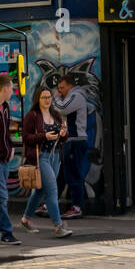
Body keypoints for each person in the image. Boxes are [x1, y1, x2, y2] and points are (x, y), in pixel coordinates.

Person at [19, 87, 73, 238]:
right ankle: (58, 226)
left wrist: (63, 134)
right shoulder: (32, 116)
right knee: (52, 190)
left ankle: (25, 219)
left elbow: (62, 138)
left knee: (41, 190)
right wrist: (44, 137)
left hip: (55, 157)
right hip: (41, 157)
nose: (47, 100)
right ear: (38, 99)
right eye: (44, 97)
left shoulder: (55, 115)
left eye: (49, 97)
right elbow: (26, 138)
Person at [52, 72, 92, 219]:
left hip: (75, 141)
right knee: (63, 175)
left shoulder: (76, 96)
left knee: (73, 175)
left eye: (62, 87)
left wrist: (55, 98)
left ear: (70, 86)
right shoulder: (71, 96)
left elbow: (63, 109)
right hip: (70, 141)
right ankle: (52, 203)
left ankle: (77, 207)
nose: (59, 90)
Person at [0, 73, 20, 245]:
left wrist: (12, 146)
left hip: (6, 158)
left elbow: (7, 131)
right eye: (12, 88)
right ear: (5, 88)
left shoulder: (5, 107)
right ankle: (6, 232)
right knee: (2, 196)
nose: (12, 92)